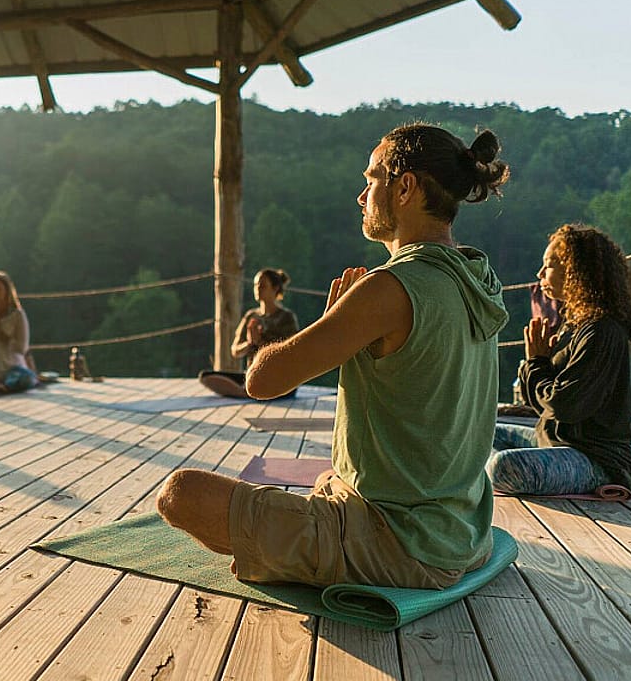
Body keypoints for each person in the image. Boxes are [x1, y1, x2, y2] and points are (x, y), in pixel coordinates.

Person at [157, 123, 510, 590]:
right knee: (329, 476)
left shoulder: (389, 288)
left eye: (371, 180)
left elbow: (261, 382)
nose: (361, 196)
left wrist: (329, 324)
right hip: (463, 535)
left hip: (397, 546)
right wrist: (342, 329)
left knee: (181, 494)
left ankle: (298, 556)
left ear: (404, 187)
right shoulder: (478, 282)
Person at [488, 225, 631, 496]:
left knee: (503, 467)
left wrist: (536, 361)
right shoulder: (574, 325)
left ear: (574, 270)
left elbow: (563, 405)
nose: (539, 274)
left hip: (593, 459)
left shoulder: (602, 331)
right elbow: (536, 402)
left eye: (548, 266)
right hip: (553, 442)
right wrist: (536, 361)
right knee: (477, 432)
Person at [199, 267, 299, 398]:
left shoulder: (287, 317)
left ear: (275, 289)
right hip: (252, 375)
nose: (257, 289)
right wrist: (250, 343)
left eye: (262, 285)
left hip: (277, 377)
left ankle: (248, 392)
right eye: (256, 285)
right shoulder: (251, 315)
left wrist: (261, 342)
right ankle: (247, 392)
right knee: (206, 377)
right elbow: (235, 350)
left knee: (283, 387)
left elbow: (291, 353)